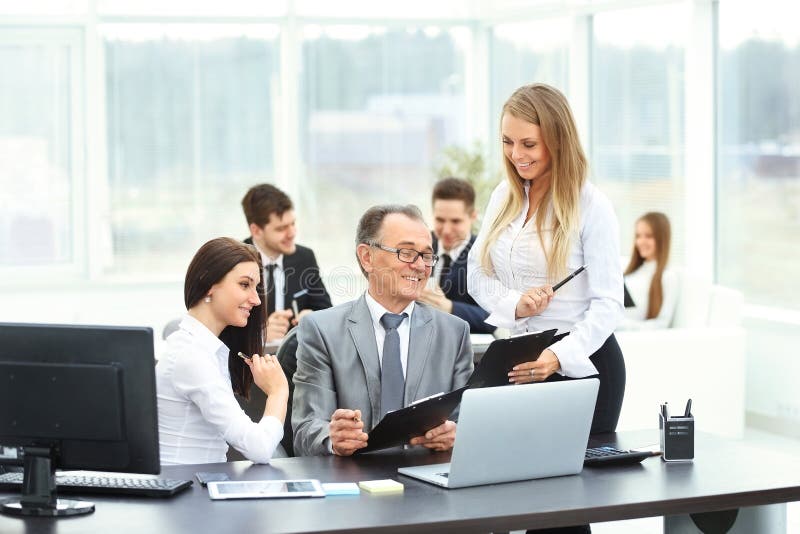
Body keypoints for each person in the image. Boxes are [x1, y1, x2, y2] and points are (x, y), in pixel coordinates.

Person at [468, 83, 624, 534]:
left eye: (529, 143)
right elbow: (477, 275)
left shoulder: (592, 205)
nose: (517, 154)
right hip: (519, 357)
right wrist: (514, 303)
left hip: (580, 361)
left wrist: (557, 357)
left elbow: (609, 302)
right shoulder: (505, 195)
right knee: (510, 496)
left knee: (561, 510)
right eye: (507, 141)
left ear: (556, 138)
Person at [292, 204, 474, 457]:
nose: (421, 266)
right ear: (367, 257)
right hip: (352, 480)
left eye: (427, 255)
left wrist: (455, 432)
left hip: (427, 482)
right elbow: (306, 428)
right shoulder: (322, 330)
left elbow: (467, 420)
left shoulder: (454, 332)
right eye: (407, 253)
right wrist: (333, 438)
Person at [156, 237, 289, 465]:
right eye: (245, 285)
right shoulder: (191, 356)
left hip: (195, 484)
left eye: (256, 288)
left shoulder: (203, 349)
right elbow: (259, 448)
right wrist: (278, 391)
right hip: (185, 491)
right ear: (209, 284)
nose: (256, 300)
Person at [242, 184, 332, 342]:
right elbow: (222, 327)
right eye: (281, 228)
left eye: (293, 224)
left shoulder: (305, 257)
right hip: (249, 359)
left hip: (295, 359)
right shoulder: (235, 260)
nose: (292, 233)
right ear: (256, 231)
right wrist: (260, 335)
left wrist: (313, 317)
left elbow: (327, 312)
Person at [417, 177, 495, 334]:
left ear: (473, 216)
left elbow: (492, 319)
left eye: (455, 221)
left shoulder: (485, 255)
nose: (446, 230)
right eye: (440, 220)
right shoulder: (417, 246)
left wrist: (449, 307)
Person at [619, 212, 679, 330]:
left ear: (662, 238)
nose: (641, 242)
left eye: (648, 236)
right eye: (638, 236)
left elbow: (662, 324)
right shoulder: (631, 271)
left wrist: (622, 325)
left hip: (623, 334)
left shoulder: (667, 277)